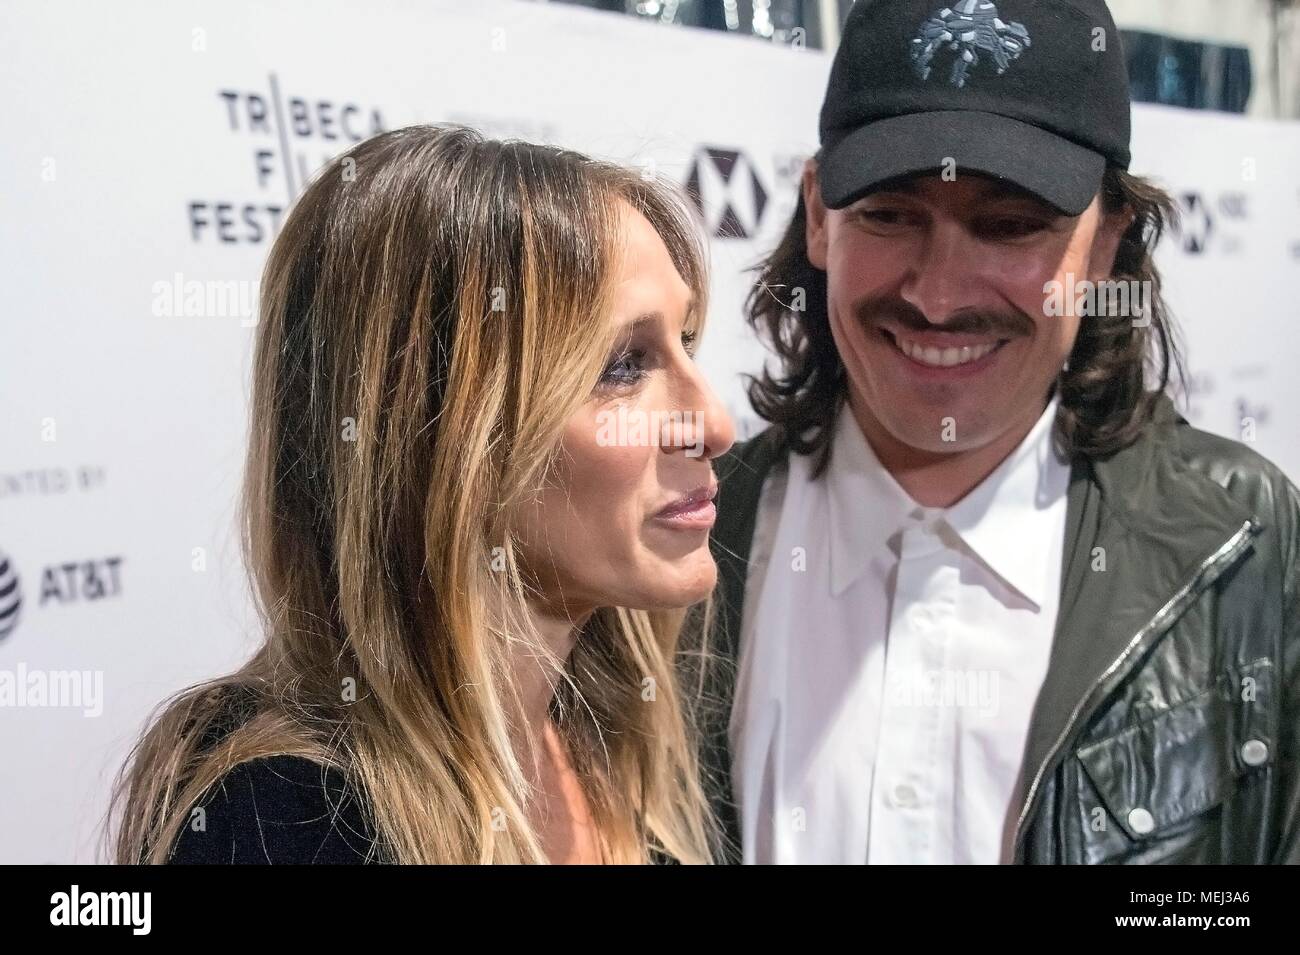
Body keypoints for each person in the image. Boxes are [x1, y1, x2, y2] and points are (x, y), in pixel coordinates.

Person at [700, 0, 1300, 864]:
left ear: (1104, 249)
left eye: (1011, 224)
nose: (939, 296)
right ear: (820, 215)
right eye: (891, 214)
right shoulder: (684, 539)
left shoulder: (1246, 546)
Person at [109, 124, 736, 864]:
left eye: (686, 342)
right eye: (623, 366)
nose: (716, 425)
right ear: (436, 432)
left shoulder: (612, 741)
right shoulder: (286, 825)